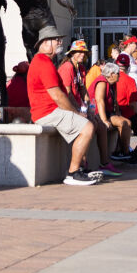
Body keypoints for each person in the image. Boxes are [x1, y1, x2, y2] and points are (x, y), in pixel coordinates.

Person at [27, 26, 96, 186]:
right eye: (56, 40)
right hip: (47, 112)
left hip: (49, 111)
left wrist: (78, 112)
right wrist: (77, 113)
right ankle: (73, 173)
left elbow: (65, 94)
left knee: (87, 123)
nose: (60, 42)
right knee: (87, 127)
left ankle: (80, 167)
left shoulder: (45, 62)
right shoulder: (43, 62)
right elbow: (58, 96)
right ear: (45, 43)